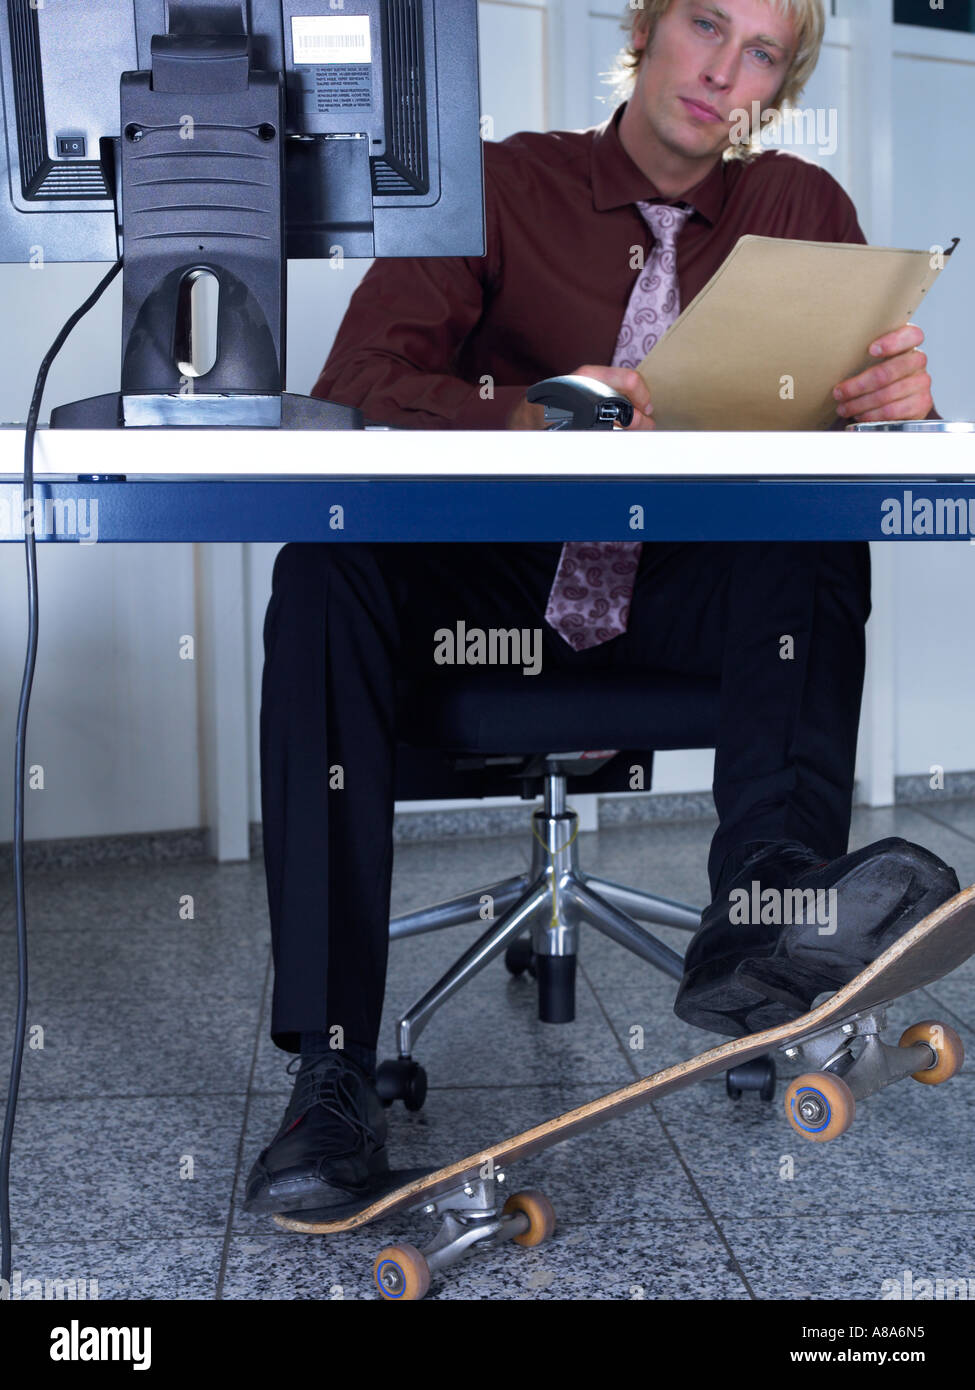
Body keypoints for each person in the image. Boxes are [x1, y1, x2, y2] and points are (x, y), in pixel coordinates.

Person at [244, 0, 958, 1218]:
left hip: (690, 594)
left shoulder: (803, 211)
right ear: (644, 26)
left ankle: (763, 923)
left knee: (810, 524)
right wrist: (532, 409)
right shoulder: (492, 183)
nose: (722, 68)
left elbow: (855, 439)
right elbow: (355, 387)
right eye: (705, 24)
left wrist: (898, 410)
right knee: (325, 564)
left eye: (762, 53)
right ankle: (331, 1064)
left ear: (779, 86)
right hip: (501, 589)